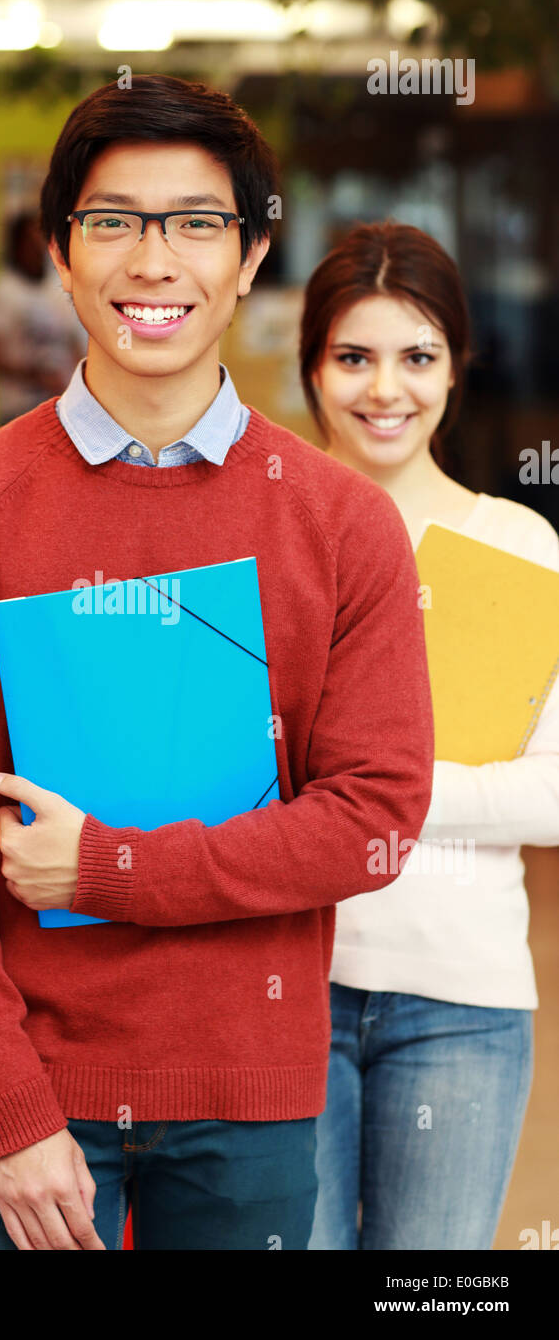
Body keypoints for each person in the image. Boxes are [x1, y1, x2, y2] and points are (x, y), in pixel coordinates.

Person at [0, 76, 434, 1252]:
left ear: (251, 253)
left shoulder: (338, 523)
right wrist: (6, 1107)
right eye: (113, 221)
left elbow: (372, 816)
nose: (153, 259)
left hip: (252, 1092)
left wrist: (108, 869)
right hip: (23, 1091)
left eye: (195, 222)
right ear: (59, 255)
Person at [301, 220, 559, 1251]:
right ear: (313, 366)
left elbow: (548, 794)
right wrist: (445, 785)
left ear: (454, 367)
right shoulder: (264, 533)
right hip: (286, 982)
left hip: (462, 996)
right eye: (352, 357)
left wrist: (361, 791)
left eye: (415, 357)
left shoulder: (510, 542)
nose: (383, 390)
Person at [0, 209, 86, 425]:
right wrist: (36, 375)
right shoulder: (4, 289)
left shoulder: (58, 285)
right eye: (30, 238)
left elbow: (74, 342)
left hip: (63, 402)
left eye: (40, 237)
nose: (36, 244)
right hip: (18, 405)